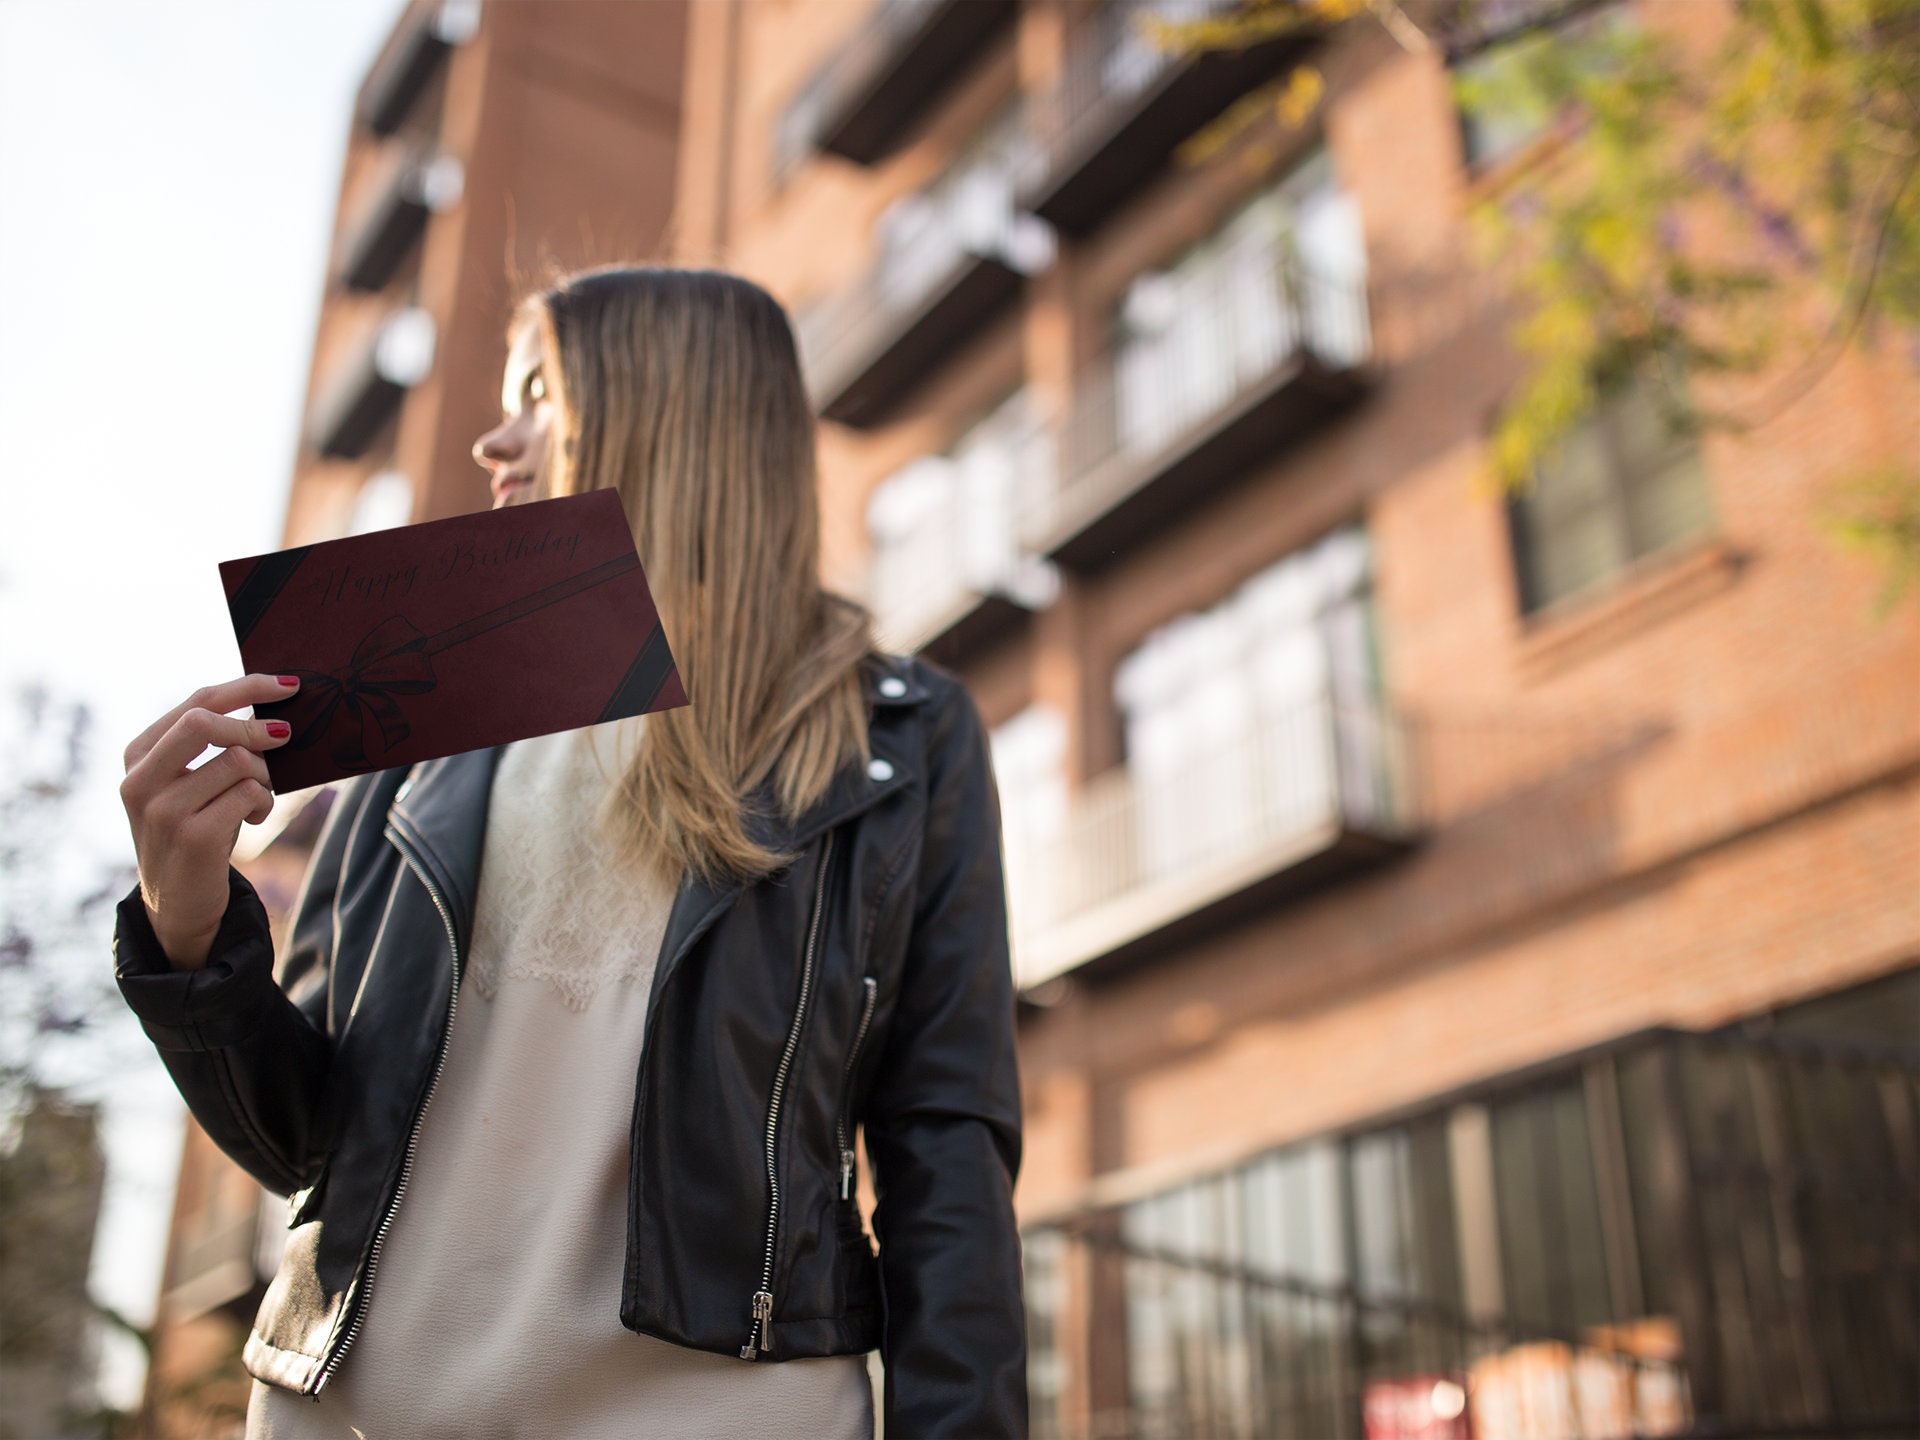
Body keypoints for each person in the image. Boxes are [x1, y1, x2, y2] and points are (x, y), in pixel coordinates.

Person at [113, 266, 1027, 1439]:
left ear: (674, 402)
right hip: (346, 1416)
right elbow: (304, 1143)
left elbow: (943, 1149)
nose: (495, 441)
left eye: (539, 391)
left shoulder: (897, 736)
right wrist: (189, 932)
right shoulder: (427, 730)